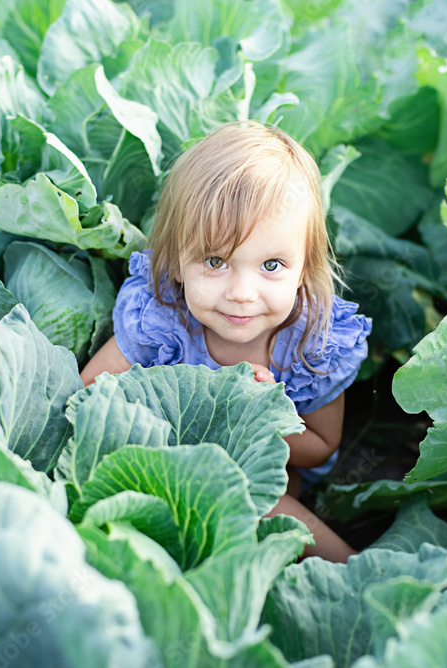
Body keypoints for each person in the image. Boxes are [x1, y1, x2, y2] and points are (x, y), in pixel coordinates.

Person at [80, 121, 371, 563]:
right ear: (176, 263)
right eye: (215, 261)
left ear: (303, 270)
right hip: (167, 458)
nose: (242, 292)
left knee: (256, 505)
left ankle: (354, 567)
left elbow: (320, 448)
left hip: (273, 470)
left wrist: (261, 417)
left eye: (271, 265)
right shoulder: (162, 318)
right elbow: (89, 389)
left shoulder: (312, 344)